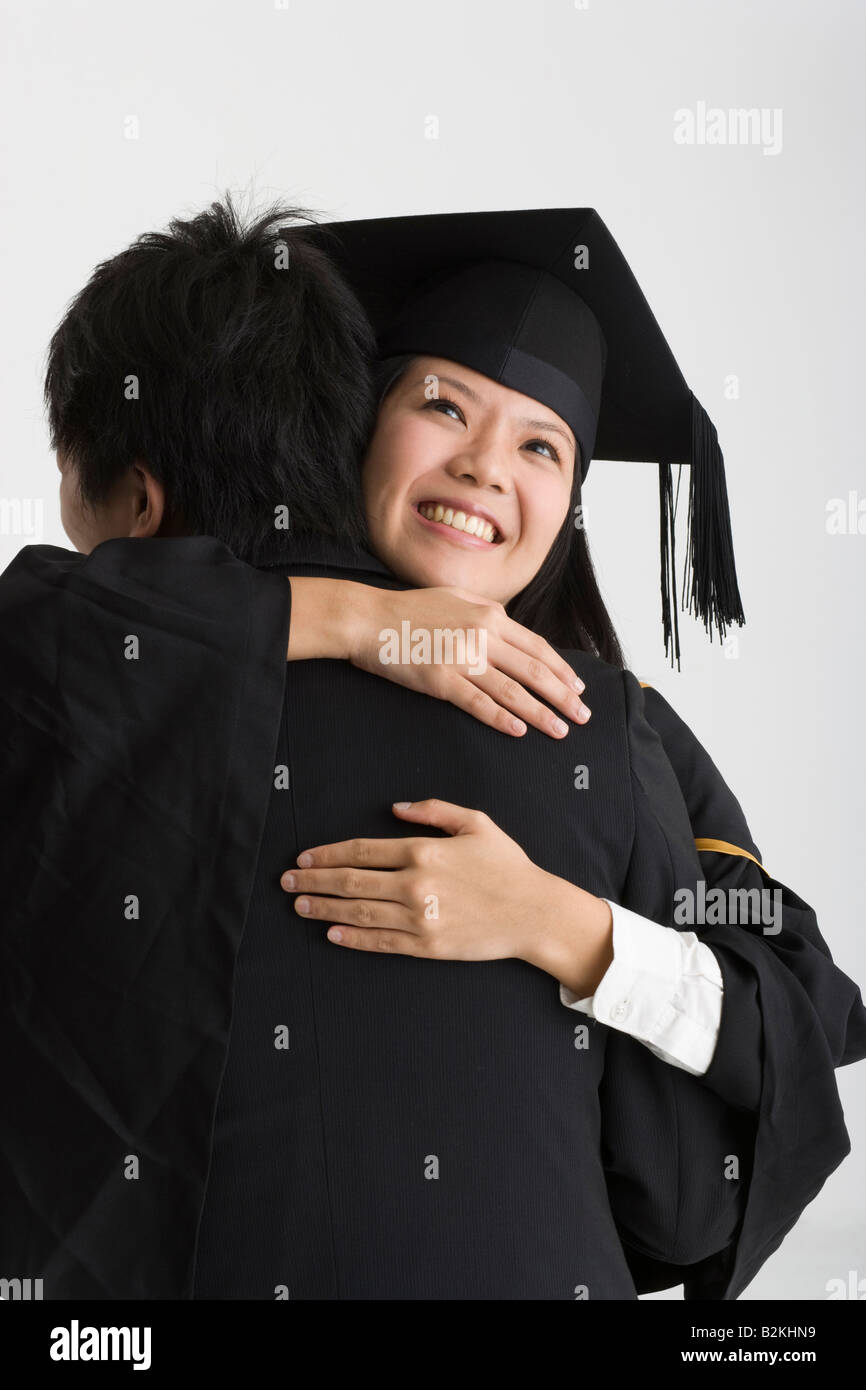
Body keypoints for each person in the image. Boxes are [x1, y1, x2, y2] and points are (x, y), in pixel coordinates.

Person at [1, 199, 863, 1302]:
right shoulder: (150, 650)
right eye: (441, 403)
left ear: (569, 507)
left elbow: (801, 1004)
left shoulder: (610, 722)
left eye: (541, 445)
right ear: (355, 422)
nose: (483, 467)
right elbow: (681, 1196)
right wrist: (361, 621)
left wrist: (559, 924)